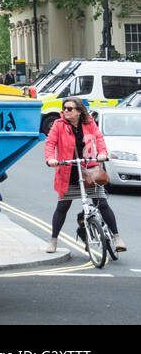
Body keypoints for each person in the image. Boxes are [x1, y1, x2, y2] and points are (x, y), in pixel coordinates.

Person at [44, 96, 124, 254]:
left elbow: (99, 139)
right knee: (63, 206)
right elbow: (50, 143)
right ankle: (53, 240)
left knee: (102, 203)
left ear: (79, 111)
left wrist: (102, 153)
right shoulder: (59, 125)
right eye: (64, 108)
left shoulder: (89, 123)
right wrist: (50, 158)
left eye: (69, 109)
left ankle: (117, 237)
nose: (65, 111)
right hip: (68, 171)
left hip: (89, 170)